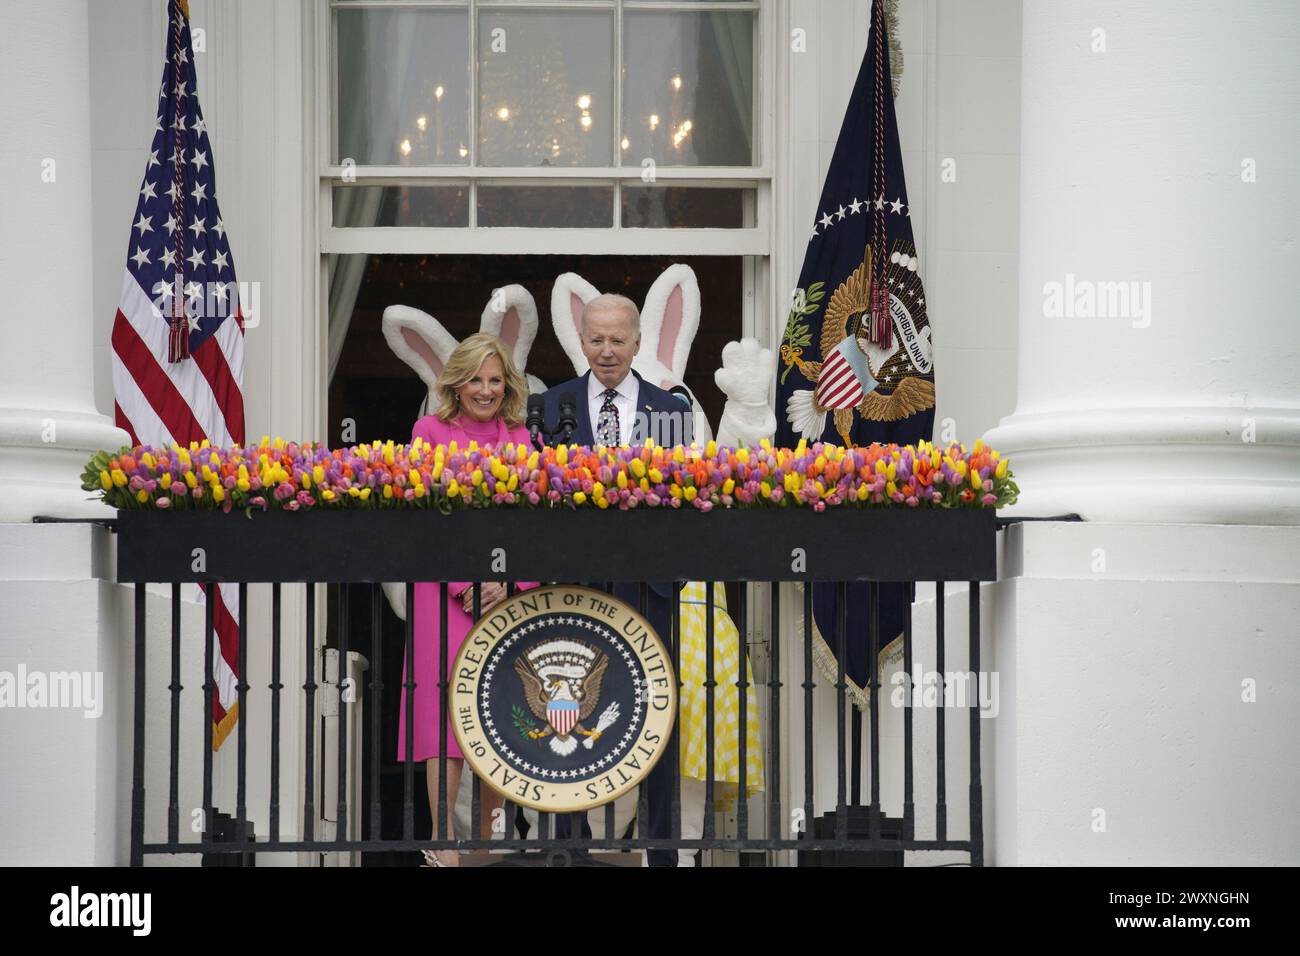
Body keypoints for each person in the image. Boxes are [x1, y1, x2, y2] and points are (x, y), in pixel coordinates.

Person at [540, 293, 687, 866]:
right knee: (566, 717)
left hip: (647, 587)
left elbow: (681, 499)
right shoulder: (549, 407)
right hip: (574, 588)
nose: (606, 351)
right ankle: (571, 852)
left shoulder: (669, 411)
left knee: (656, 720)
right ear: (582, 340)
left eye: (617, 340)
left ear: (638, 342)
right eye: (595, 339)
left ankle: (661, 853)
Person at [397, 332, 537, 867]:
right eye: (475, 379)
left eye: (495, 379)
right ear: (456, 382)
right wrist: (463, 584)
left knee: (495, 714)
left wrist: (511, 582)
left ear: (508, 385)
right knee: (441, 720)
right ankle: (442, 840)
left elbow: (531, 530)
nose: (485, 389)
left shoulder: (522, 440)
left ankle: (482, 839)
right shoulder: (428, 432)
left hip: (503, 602)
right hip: (443, 594)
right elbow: (421, 525)